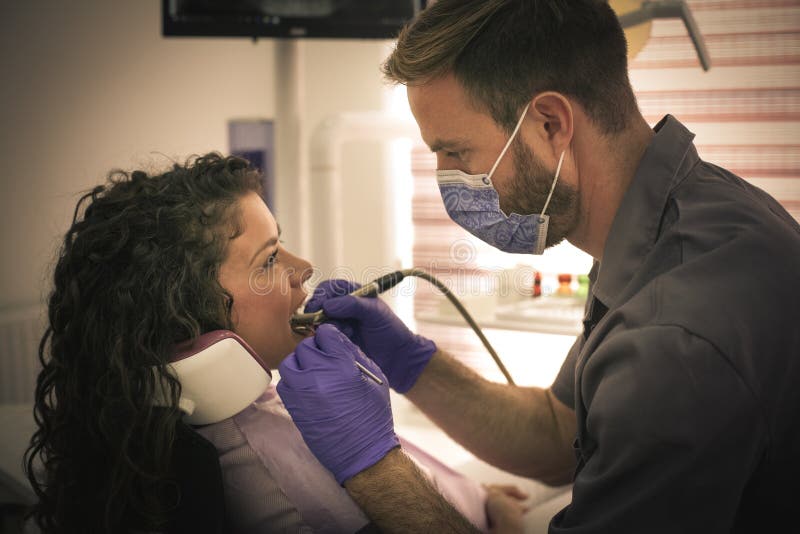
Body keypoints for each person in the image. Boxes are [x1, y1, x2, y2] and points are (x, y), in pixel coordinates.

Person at [276, 1, 800, 533]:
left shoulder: (673, 336)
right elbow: (558, 433)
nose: (447, 183)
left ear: (551, 123)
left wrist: (371, 467)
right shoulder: (674, 217)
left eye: (457, 153)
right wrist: (411, 363)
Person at [24, 153, 525, 533]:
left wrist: (468, 493)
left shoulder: (242, 415)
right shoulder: (265, 467)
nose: (303, 266)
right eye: (268, 260)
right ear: (187, 317)